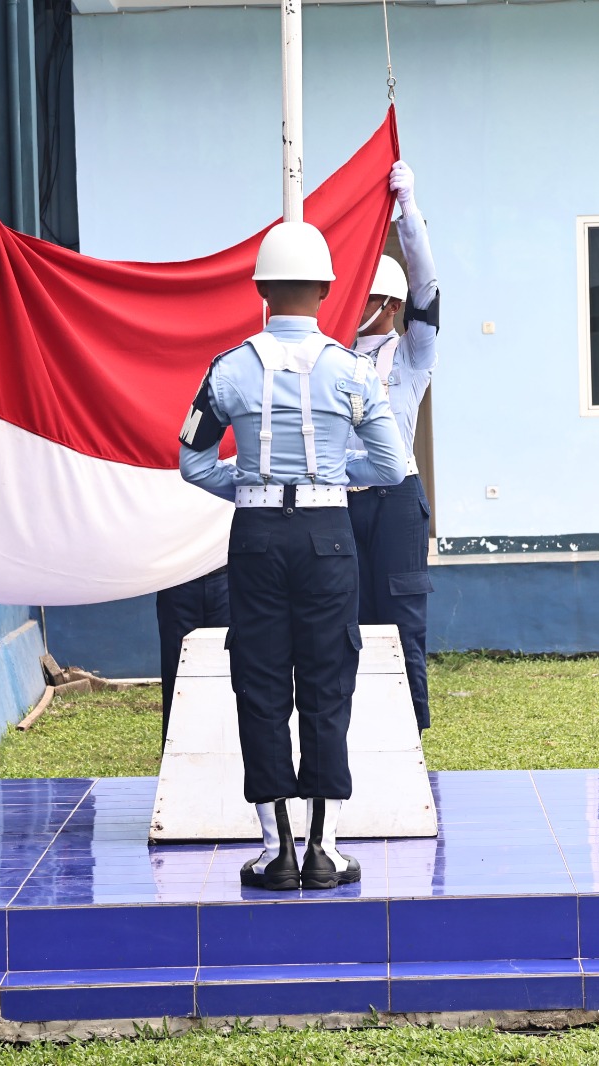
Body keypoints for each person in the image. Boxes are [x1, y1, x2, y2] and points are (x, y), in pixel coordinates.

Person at [178, 220, 406, 890]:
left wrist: (250, 484)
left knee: (261, 683)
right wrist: (330, 476)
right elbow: (392, 467)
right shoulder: (352, 371)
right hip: (327, 537)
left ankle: (276, 849)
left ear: (261, 292)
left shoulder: (228, 370)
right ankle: (324, 849)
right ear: (328, 289)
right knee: (329, 682)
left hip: (255, 540)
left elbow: (192, 462)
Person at [346, 160, 439, 731]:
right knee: (346, 622)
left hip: (398, 500)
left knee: (403, 619)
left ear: (391, 305)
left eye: (368, 297)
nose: (354, 307)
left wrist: (408, 212)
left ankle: (410, 737)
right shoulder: (331, 354)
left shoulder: (411, 354)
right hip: (345, 498)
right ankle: (359, 732)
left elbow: (427, 282)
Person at [153, 566, 230, 742]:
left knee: (230, 674)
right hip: (178, 577)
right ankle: (177, 757)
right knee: (178, 678)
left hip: (226, 572)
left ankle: (230, 759)